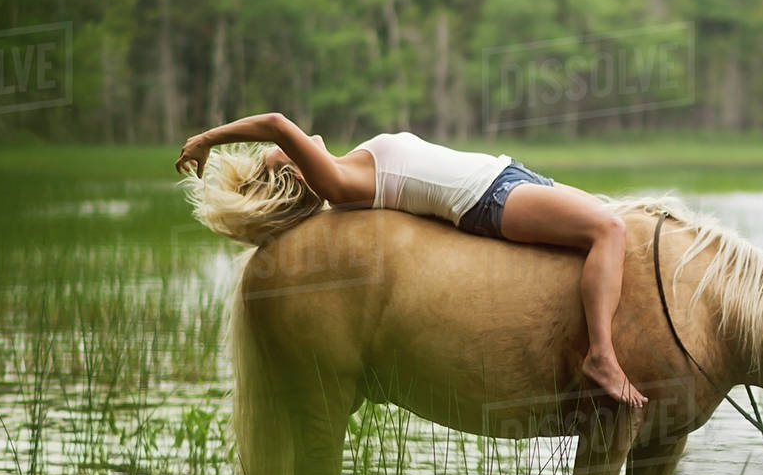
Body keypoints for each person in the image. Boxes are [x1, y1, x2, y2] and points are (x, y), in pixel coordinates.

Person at [175, 112, 646, 407]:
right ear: (298, 174)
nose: (282, 146)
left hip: (507, 176)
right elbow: (277, 123)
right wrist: (206, 139)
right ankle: (601, 356)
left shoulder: (348, 166)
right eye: (278, 157)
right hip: (486, 198)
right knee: (608, 229)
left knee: (621, 225)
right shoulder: (336, 182)